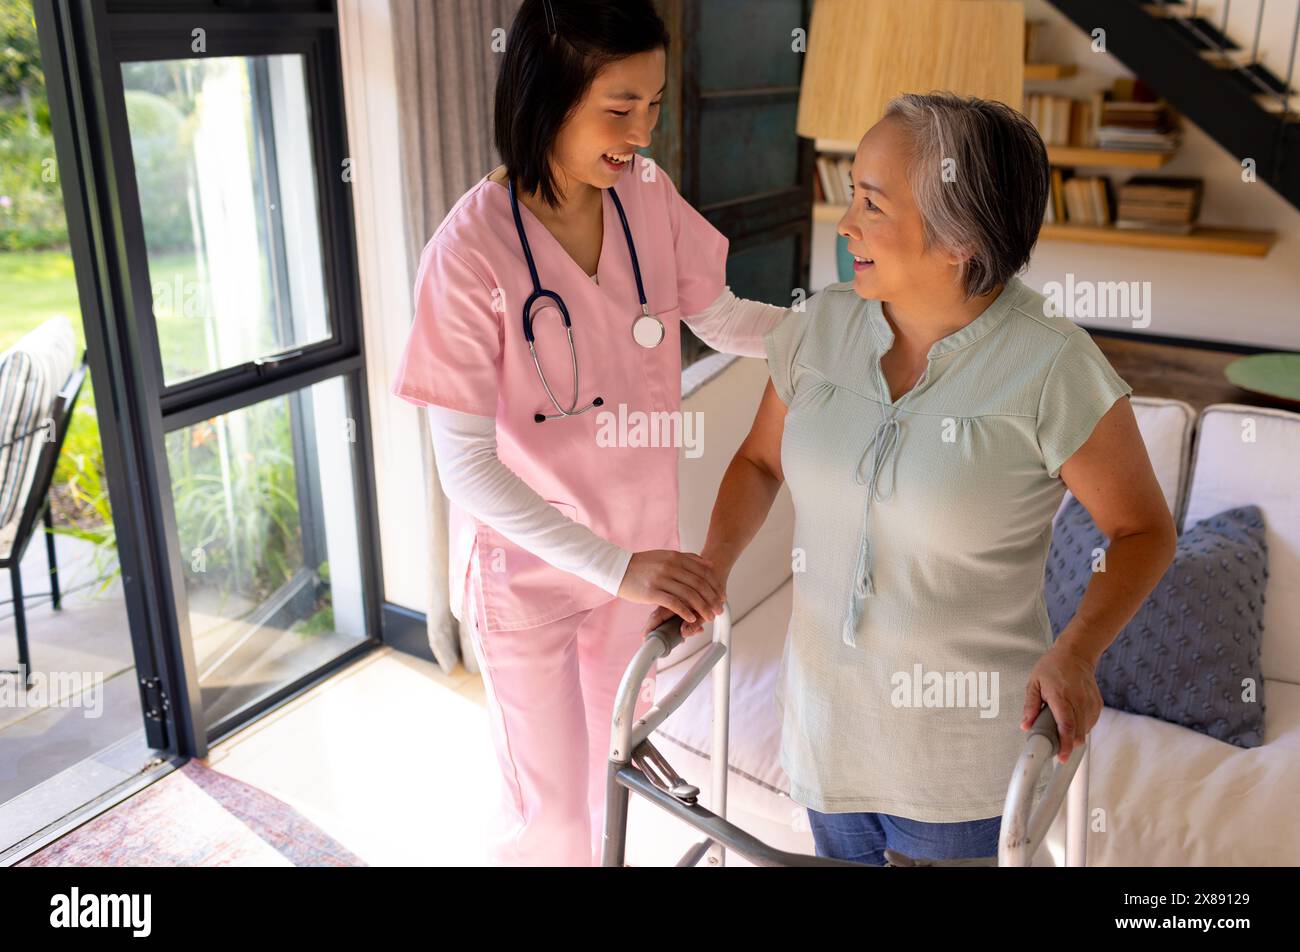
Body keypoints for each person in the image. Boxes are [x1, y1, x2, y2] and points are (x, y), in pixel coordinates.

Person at [666, 92, 1178, 865]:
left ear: (960, 239)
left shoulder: (1052, 365)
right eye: (850, 198)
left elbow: (1143, 531)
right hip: (825, 740)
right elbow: (761, 460)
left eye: (871, 204)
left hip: (963, 769)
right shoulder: (820, 327)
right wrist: (712, 564)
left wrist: (1077, 649)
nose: (844, 225)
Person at [390, 0, 788, 866]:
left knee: (619, 779)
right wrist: (617, 564)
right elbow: (463, 466)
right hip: (528, 573)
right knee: (552, 816)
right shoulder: (466, 255)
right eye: (620, 107)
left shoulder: (644, 196)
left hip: (634, 549)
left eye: (653, 104)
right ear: (546, 95)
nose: (642, 131)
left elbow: (715, 316)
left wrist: (820, 329)